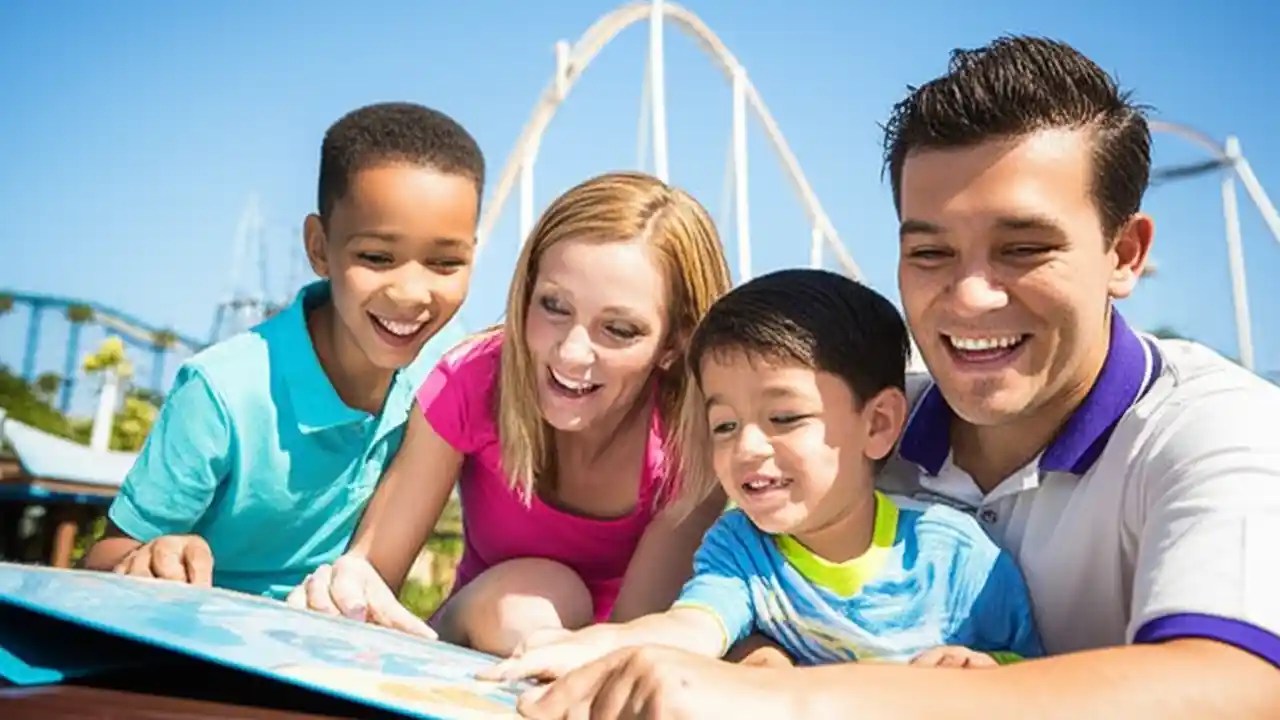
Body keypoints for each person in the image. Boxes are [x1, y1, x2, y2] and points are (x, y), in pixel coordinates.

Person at [513, 36, 1280, 719]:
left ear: (1124, 255)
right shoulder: (844, 428)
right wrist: (746, 656)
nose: (971, 296)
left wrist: (783, 695)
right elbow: (726, 600)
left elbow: (1235, 688)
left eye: (1022, 249)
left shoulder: (1218, 430)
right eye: (931, 253)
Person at [481, 268, 1042, 683]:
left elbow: (1045, 680)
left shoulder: (958, 558)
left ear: (878, 424)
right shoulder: (741, 550)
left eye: (784, 418)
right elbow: (692, 627)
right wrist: (596, 646)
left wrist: (990, 668)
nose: (747, 447)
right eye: (724, 425)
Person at [287, 171, 734, 654]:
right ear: (525, 294)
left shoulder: (691, 444)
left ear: (674, 343)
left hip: (598, 666)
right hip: (466, 643)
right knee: (539, 594)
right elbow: (373, 570)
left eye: (619, 330)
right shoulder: (474, 381)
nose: (571, 353)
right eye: (554, 306)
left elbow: (629, 649)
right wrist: (348, 589)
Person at [82, 102, 485, 603]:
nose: (410, 293)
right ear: (319, 247)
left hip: (338, 645)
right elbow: (101, 562)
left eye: (445, 262)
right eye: (376, 257)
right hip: (202, 642)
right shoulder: (223, 391)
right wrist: (148, 558)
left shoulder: (452, 363)